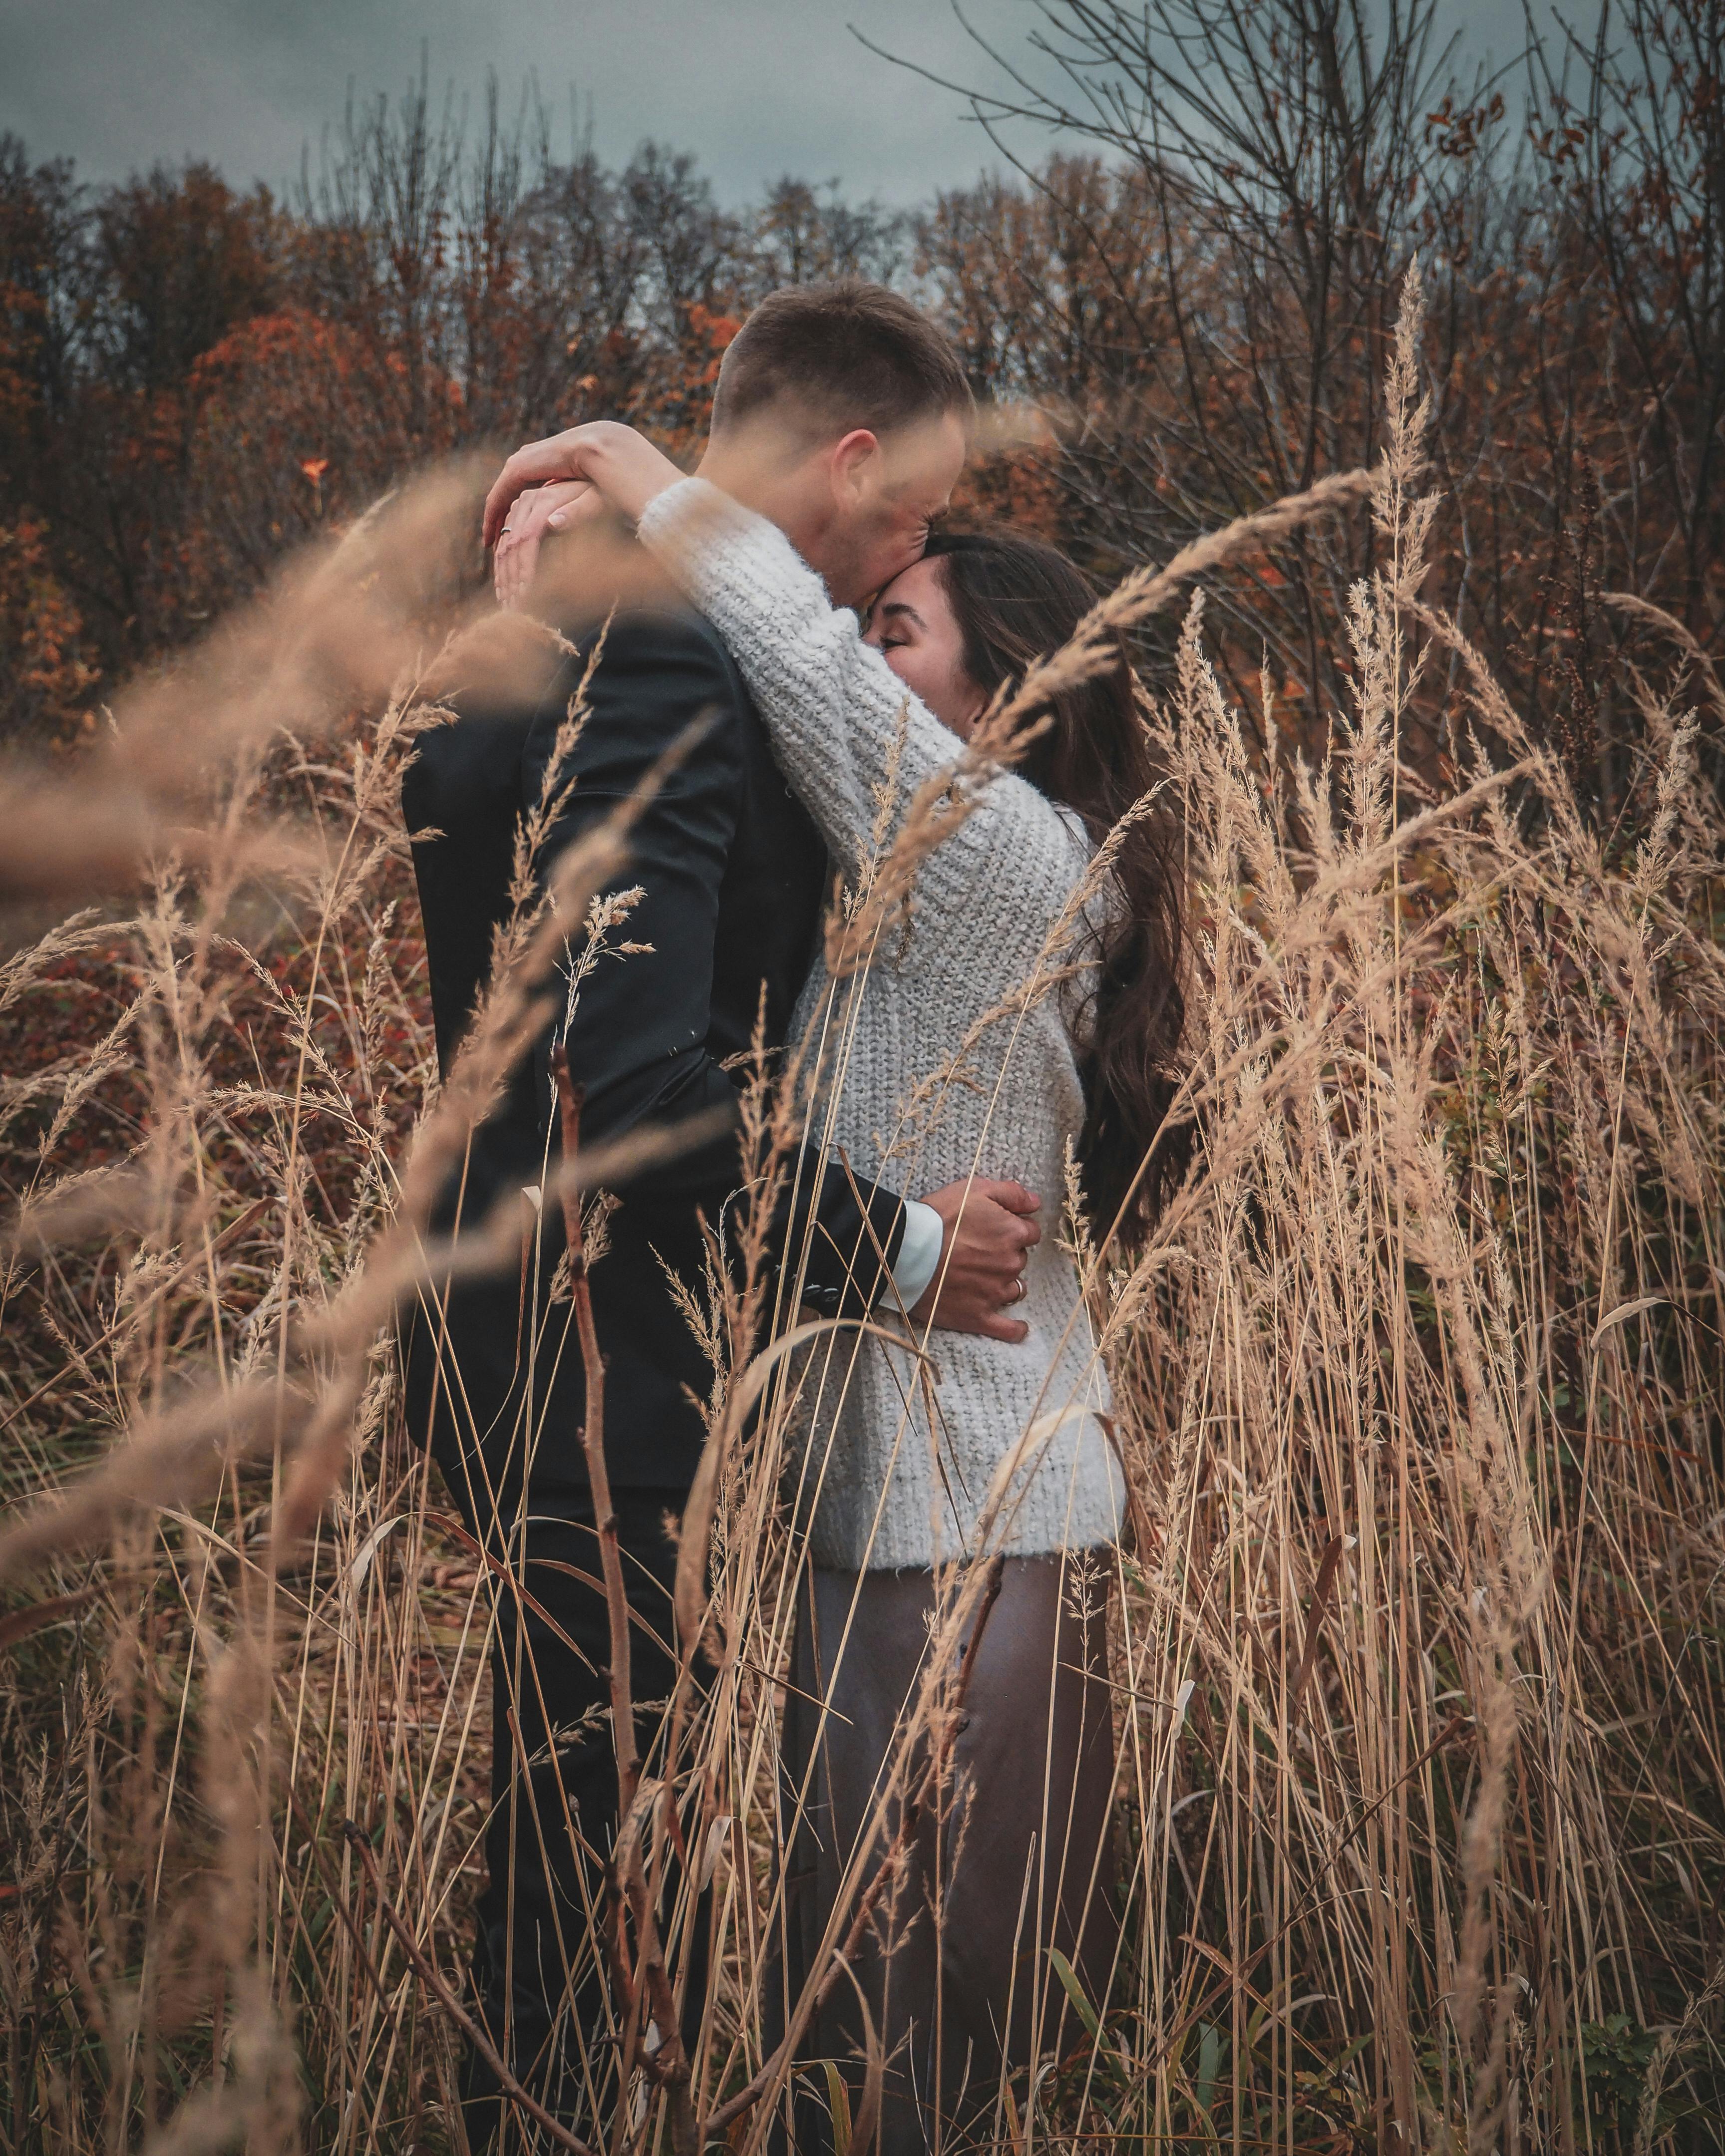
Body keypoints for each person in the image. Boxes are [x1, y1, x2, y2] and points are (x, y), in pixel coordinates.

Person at [485, 419, 1186, 2151]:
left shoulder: (997, 847)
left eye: (899, 633)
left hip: (969, 1509)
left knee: (919, 2031)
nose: (857, 649)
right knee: (864, 2016)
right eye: (868, 628)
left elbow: (788, 655)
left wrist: (624, 461)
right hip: (904, 1503)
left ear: (1013, 698)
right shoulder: (924, 875)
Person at [403, 284, 1047, 2147]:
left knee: (590, 1866)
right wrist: (908, 1250)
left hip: (522, 1328)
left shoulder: (568, 619)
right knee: (587, 1894)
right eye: (916, 512)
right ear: (855, 460)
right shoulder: (676, 651)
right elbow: (629, 1087)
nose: (913, 552)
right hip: (609, 1357)